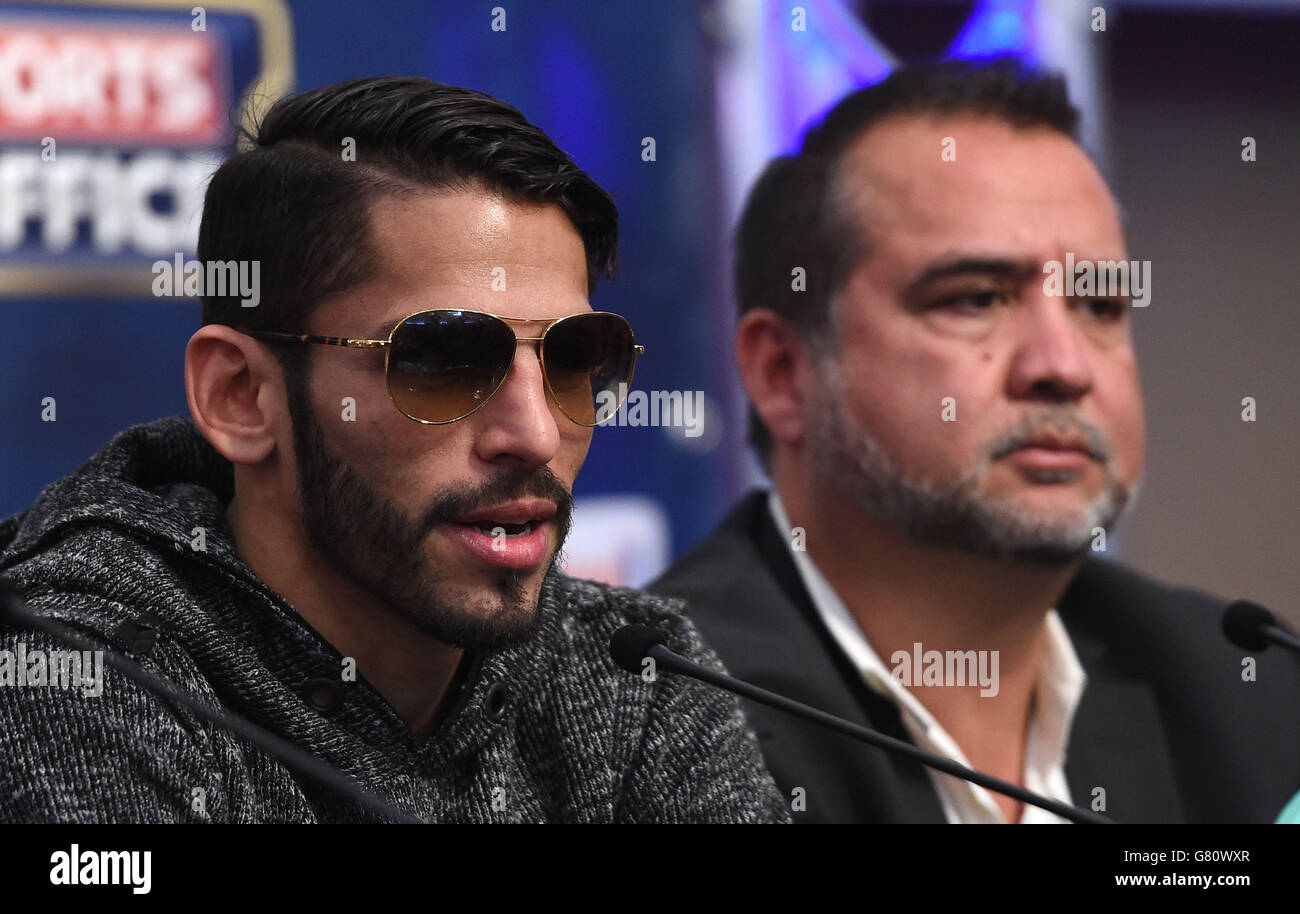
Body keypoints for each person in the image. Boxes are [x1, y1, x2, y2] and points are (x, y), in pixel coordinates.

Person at [0, 76, 787, 824]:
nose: (535, 433)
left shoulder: (635, 672)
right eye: (442, 359)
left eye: (574, 357)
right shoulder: (76, 675)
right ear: (241, 397)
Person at [650, 57, 1300, 823]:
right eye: (976, 298)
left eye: (1099, 304)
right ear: (783, 373)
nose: (1062, 367)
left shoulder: (1246, 693)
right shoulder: (650, 724)